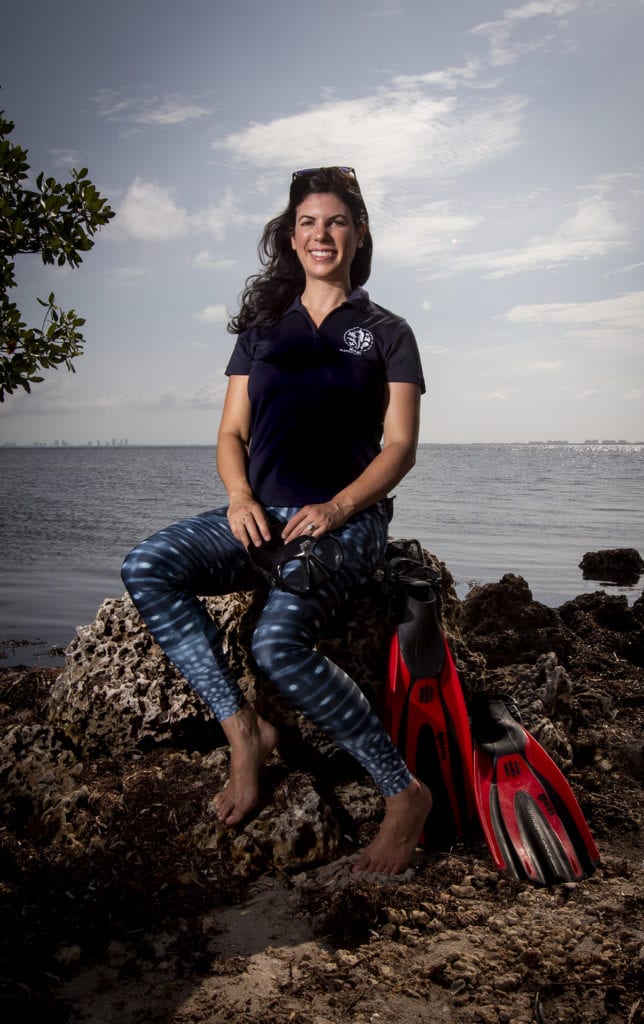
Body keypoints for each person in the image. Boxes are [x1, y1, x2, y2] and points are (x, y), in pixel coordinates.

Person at [121, 166, 431, 874]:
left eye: (336, 222)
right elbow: (231, 435)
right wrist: (237, 499)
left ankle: (403, 793)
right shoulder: (262, 332)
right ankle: (244, 734)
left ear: (357, 236)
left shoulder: (387, 332)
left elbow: (400, 447)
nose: (321, 234)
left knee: (276, 645)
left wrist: (339, 507)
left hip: (343, 523)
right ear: (290, 240)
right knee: (147, 564)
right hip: (260, 516)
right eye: (307, 223)